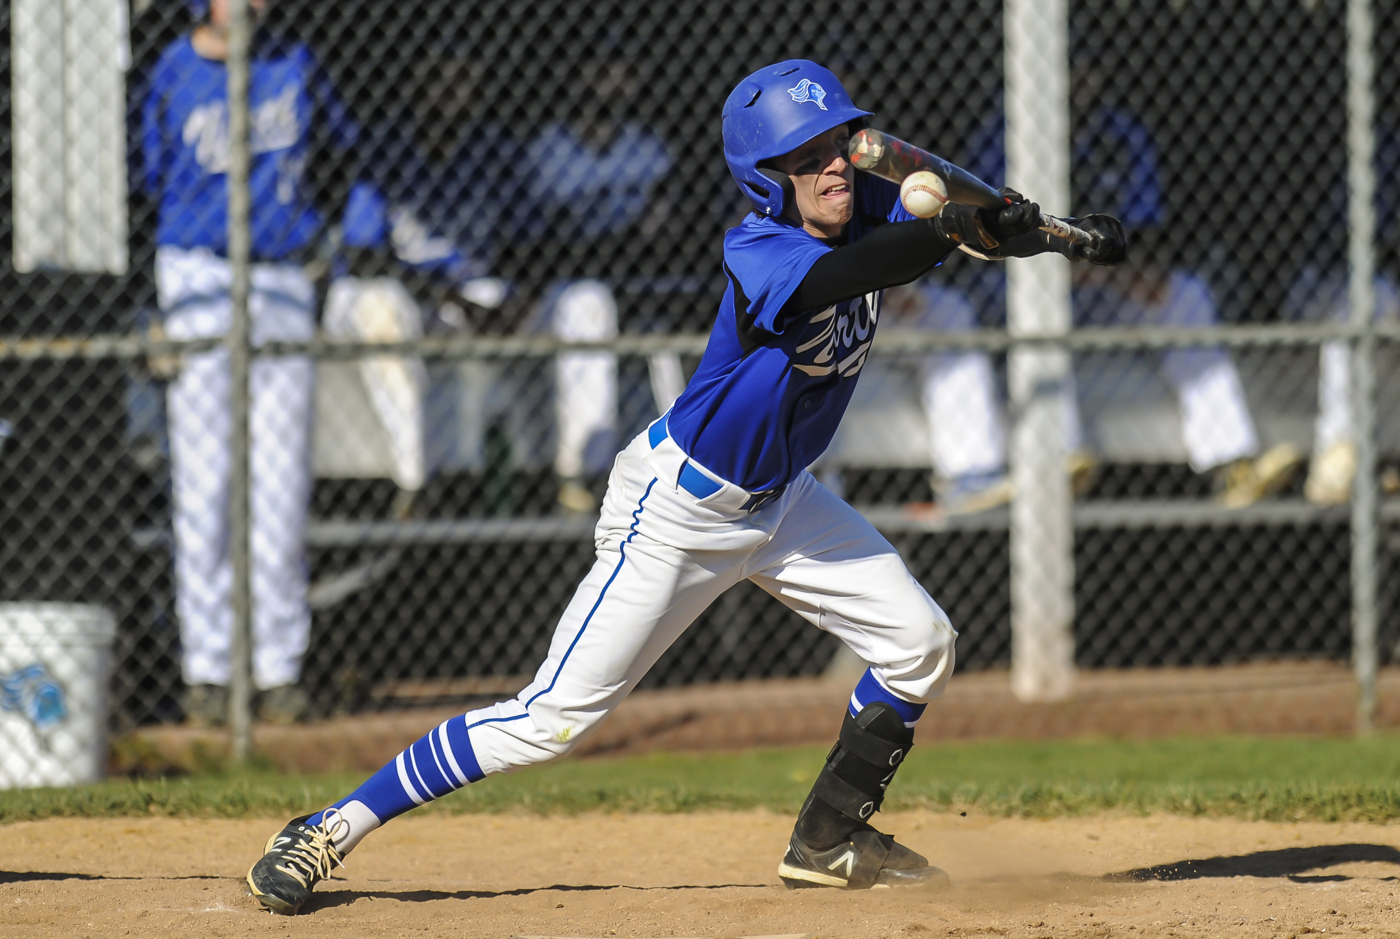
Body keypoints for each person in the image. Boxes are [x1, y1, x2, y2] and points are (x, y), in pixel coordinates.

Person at [243, 59, 1126, 914]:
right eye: (802, 157)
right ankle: (327, 827)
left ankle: (828, 839)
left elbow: (952, 223)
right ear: (765, 178)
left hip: (782, 499)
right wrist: (949, 231)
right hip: (675, 511)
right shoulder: (762, 247)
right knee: (549, 719)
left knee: (919, 641)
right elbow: (851, 273)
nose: (829, 167)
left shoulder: (872, 209)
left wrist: (1035, 232)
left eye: (838, 146)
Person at [912, 55, 1299, 510]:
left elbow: (1151, 234)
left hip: (1102, 282)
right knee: (1033, 293)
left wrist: (1132, 271)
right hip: (1015, 282)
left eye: (1089, 68)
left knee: (1185, 293)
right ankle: (1059, 452)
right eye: (1069, 68)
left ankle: (1230, 461)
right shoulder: (1002, 131)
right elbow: (974, 241)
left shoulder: (1120, 134)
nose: (1082, 80)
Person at [139, 0, 360, 724]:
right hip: (197, 276)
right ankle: (206, 671)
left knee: (279, 483)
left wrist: (334, 252)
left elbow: (344, 161)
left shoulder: (294, 61)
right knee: (205, 484)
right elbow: (148, 183)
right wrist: (152, 301)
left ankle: (276, 668)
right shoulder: (173, 69)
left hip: (282, 277)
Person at [511, 41, 684, 514]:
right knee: (588, 300)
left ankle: (688, 479)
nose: (612, 85)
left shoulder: (648, 151)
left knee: (660, 322)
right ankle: (584, 473)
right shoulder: (547, 151)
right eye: (600, 72)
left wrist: (610, 244)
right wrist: (620, 240)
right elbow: (536, 249)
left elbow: (665, 244)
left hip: (634, 294)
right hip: (557, 297)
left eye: (622, 73)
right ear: (578, 79)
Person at [1284, 126, 1400, 505]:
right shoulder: (1383, 152)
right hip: (1323, 286)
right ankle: (1335, 456)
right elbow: (1363, 249)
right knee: (1365, 300)